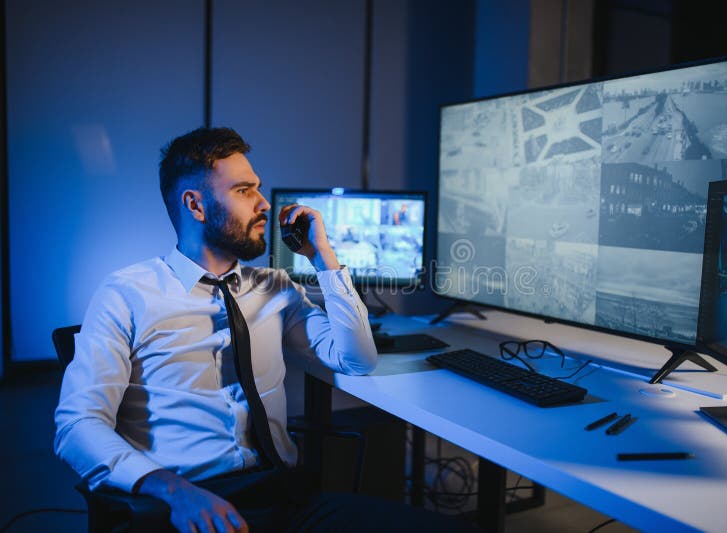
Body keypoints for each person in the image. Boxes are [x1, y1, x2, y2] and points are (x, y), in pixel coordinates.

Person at [54, 127, 472, 532]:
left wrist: (323, 257)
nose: (264, 204)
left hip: (286, 498)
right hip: (188, 504)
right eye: (243, 191)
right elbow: (77, 425)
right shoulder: (127, 294)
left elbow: (357, 360)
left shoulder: (275, 287)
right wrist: (175, 491)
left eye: (257, 187)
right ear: (195, 206)